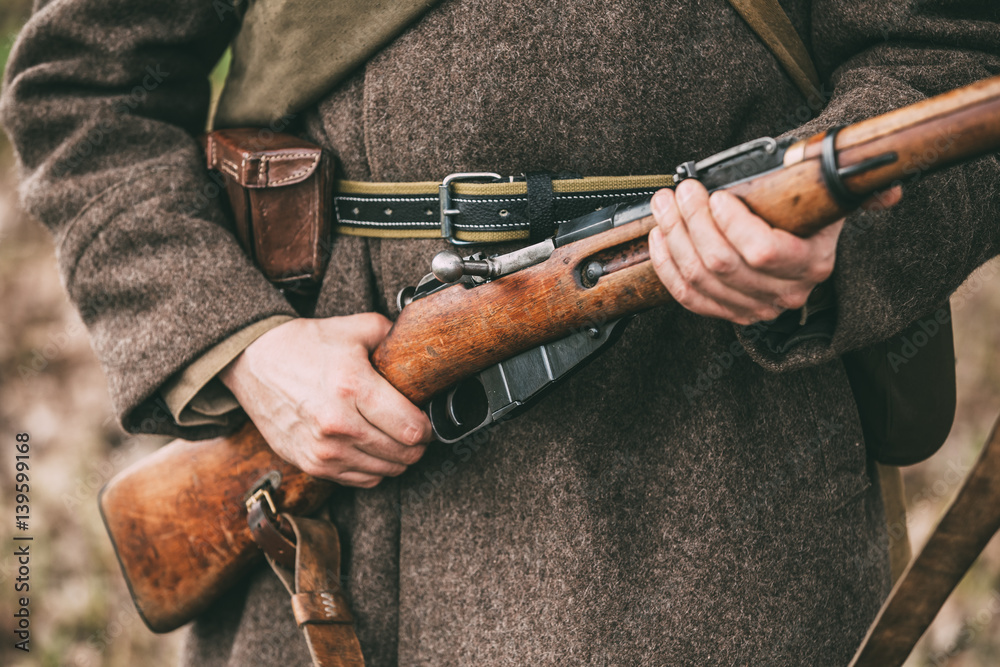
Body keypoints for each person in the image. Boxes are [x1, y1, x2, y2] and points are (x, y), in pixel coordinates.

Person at [3, 0, 999, 664]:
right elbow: (84, 88)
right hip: (350, 487)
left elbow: (954, 59)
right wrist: (243, 345)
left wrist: (836, 246)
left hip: (739, 480)